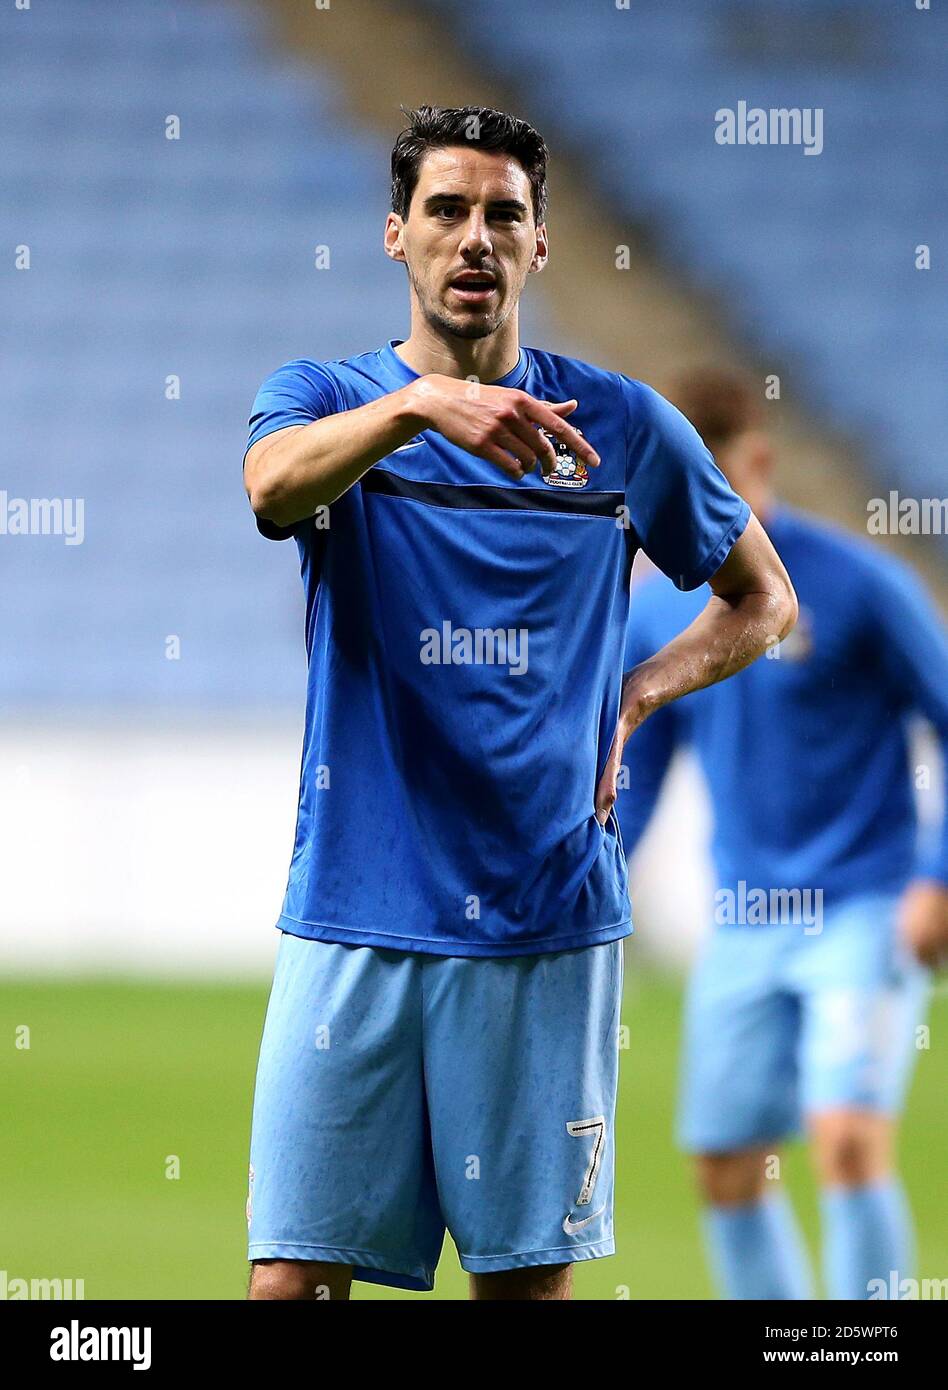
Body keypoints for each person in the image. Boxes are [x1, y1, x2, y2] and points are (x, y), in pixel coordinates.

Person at [241, 108, 796, 1301]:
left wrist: (641, 693)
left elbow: (762, 600)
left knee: (523, 1288)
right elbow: (270, 491)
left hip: (541, 916)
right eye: (446, 210)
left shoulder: (624, 428)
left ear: (540, 246)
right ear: (397, 236)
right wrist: (418, 409)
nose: (474, 237)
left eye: (504, 214)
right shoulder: (327, 400)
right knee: (289, 1282)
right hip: (353, 907)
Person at [617, 366, 948, 1300]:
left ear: (754, 462)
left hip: (865, 908)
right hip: (746, 918)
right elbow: (644, 764)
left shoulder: (860, 583)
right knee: (726, 1165)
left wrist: (937, 874)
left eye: (703, 481)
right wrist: (598, 879)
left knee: (845, 1136)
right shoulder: (658, 606)